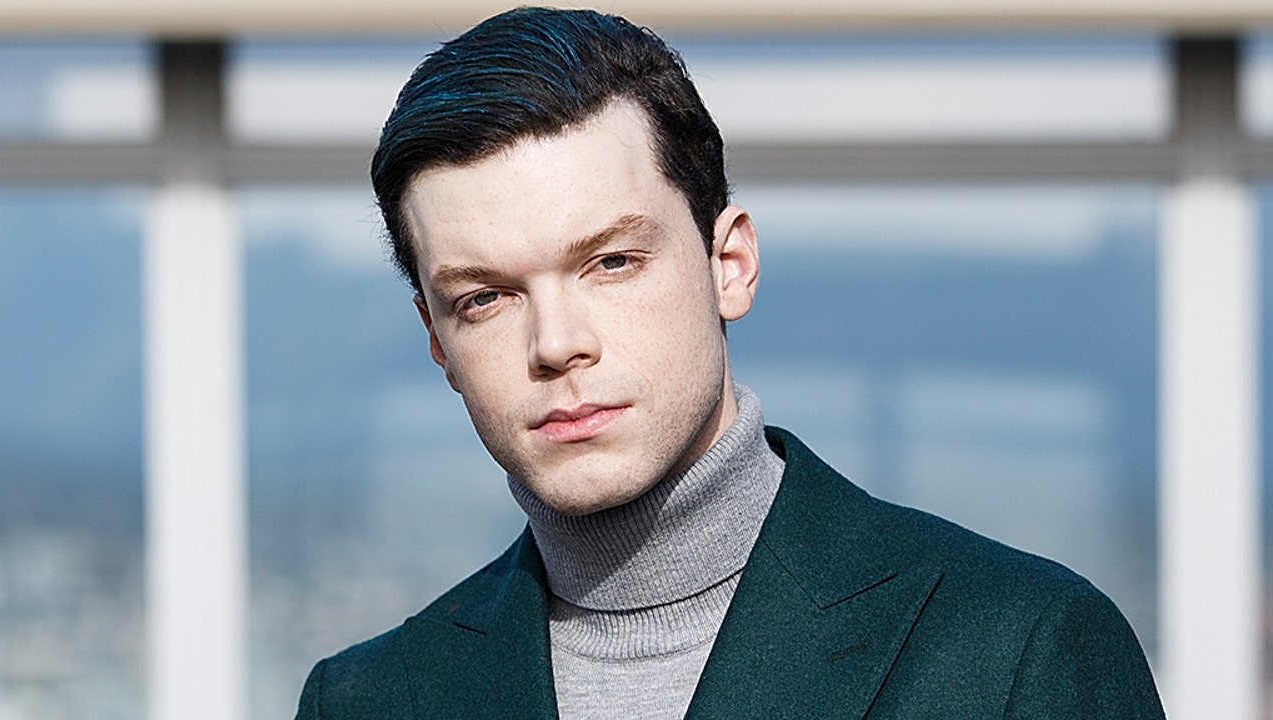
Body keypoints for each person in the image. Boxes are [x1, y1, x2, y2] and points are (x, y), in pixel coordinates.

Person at [295, 7, 1165, 719]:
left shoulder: (1019, 651)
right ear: (437, 340)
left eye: (612, 262)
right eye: (485, 297)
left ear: (730, 265)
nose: (555, 343)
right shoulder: (367, 701)